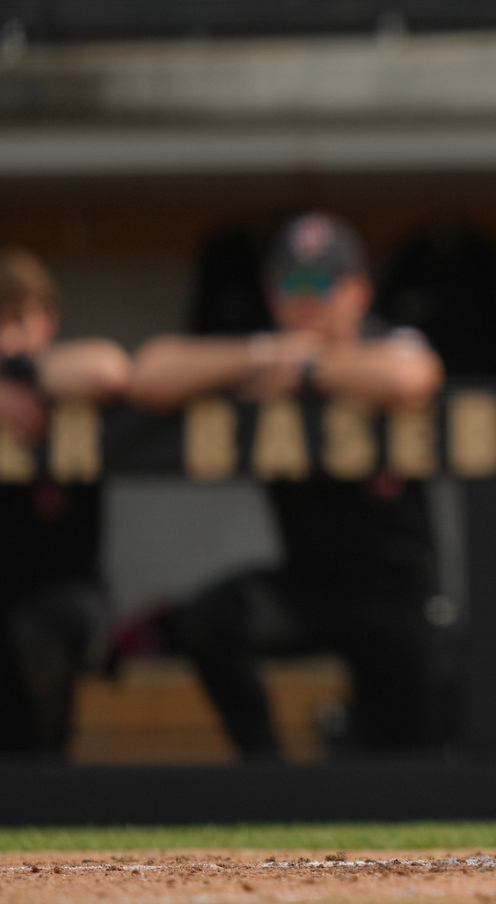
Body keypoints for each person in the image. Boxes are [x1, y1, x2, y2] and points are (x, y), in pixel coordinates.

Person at [128, 212, 446, 758]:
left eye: (322, 281)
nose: (306, 297)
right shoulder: (264, 354)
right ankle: (267, 774)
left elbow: (410, 376)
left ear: (360, 289)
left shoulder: (385, 341)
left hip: (394, 594)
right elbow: (149, 374)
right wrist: (264, 354)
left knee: (403, 759)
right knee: (210, 623)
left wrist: (308, 367)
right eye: (291, 282)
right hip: (310, 585)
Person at [0, 249, 131, 757]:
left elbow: (107, 369)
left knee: (39, 627)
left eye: (16, 319)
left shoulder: (66, 377)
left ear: (48, 321)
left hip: (69, 592)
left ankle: (45, 784)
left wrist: (22, 378)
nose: (6, 336)